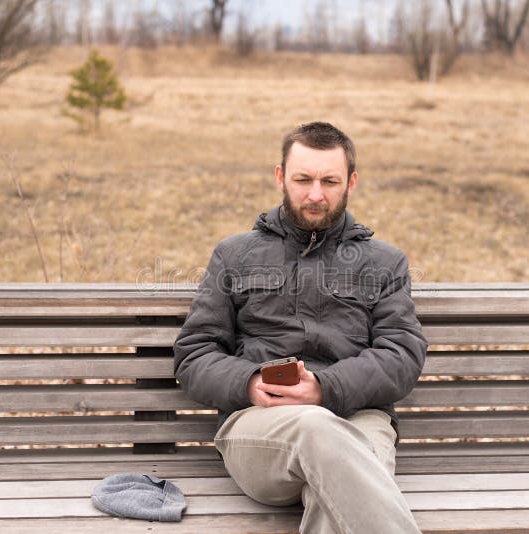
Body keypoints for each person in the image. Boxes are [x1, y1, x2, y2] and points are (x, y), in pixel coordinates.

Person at [174, 121, 426, 534]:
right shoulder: (234, 255)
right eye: (303, 179)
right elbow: (195, 354)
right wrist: (251, 382)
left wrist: (326, 388)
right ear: (280, 177)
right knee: (317, 430)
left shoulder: (385, 263)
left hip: (359, 417)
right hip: (259, 424)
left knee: (340, 486)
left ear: (351, 183)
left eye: (330, 181)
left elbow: (402, 355)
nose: (315, 194)